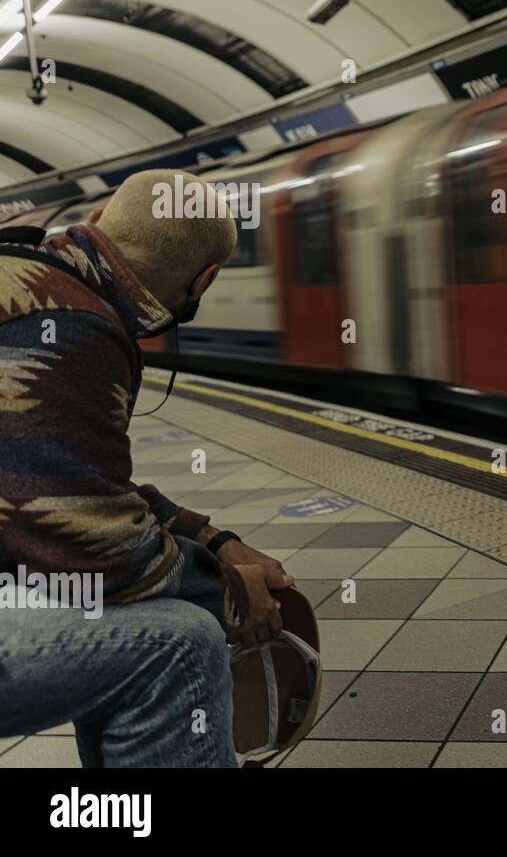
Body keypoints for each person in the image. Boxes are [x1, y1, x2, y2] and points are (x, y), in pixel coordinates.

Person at [0, 169, 293, 767]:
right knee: (179, 642)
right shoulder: (67, 321)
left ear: (103, 217)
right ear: (203, 280)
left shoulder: (30, 276)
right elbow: (91, 548)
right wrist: (227, 588)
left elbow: (64, 475)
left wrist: (212, 539)